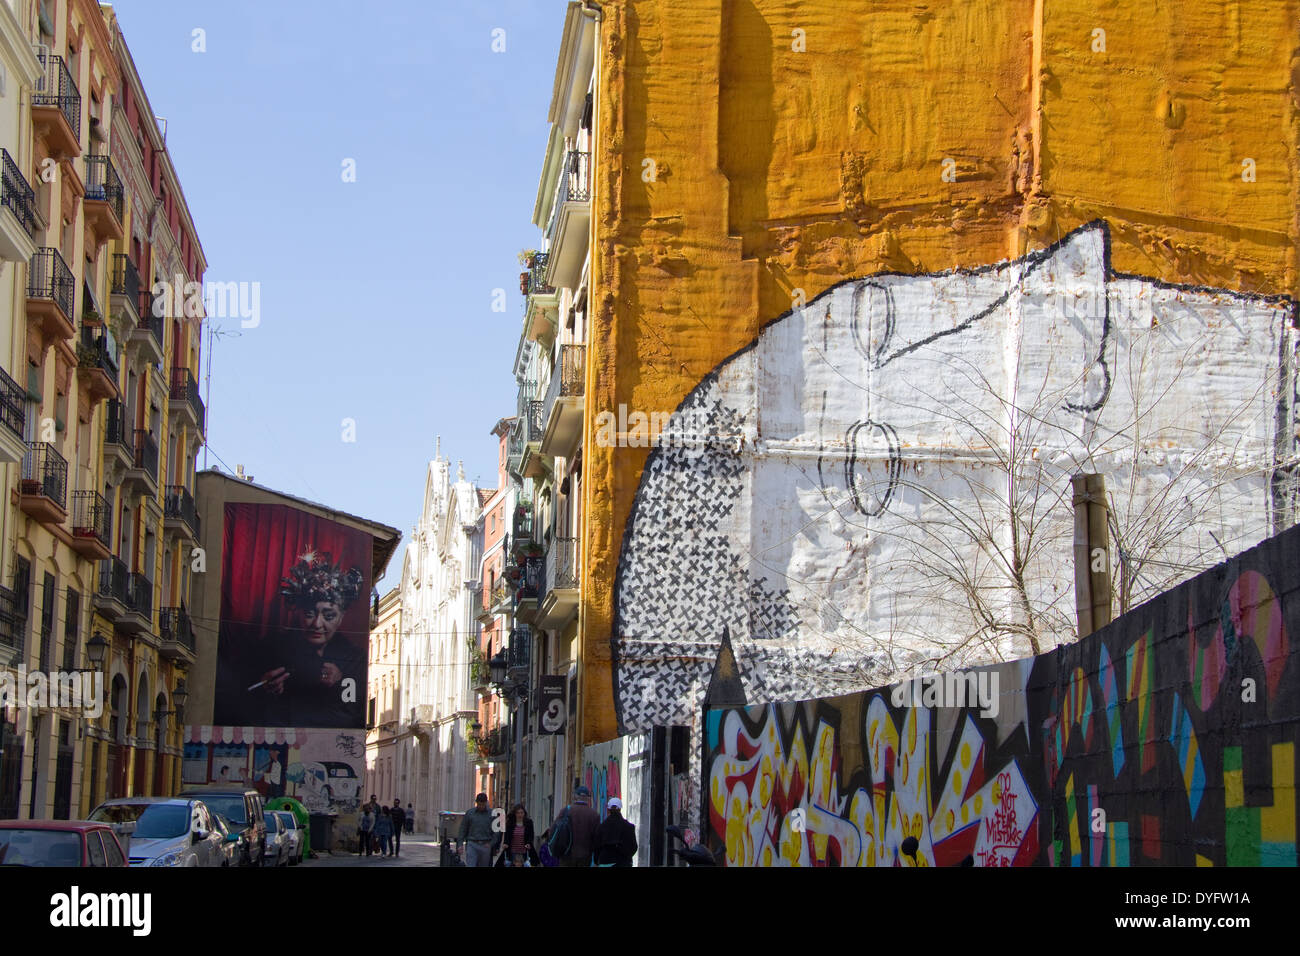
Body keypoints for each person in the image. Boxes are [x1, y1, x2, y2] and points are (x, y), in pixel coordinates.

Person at [250, 550, 366, 726]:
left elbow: (355, 714)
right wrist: (264, 688)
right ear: (299, 613)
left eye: (328, 616)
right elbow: (238, 697)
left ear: (341, 618)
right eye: (309, 614)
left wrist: (340, 682)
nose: (317, 624)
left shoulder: (354, 658)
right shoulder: (272, 647)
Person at [547, 785, 600, 867]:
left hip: (566, 854)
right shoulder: (594, 815)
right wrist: (596, 858)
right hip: (585, 856)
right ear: (588, 798)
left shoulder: (566, 811)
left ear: (575, 796)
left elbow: (553, 829)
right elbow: (596, 839)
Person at [594, 797, 638, 867]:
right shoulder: (629, 827)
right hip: (623, 862)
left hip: (605, 861)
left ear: (608, 809)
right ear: (620, 809)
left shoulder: (602, 827)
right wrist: (627, 857)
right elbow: (634, 847)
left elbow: (597, 846)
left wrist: (596, 861)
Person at [457, 793, 496, 867]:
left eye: (483, 804)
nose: (481, 806)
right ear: (476, 802)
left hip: (485, 844)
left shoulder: (492, 814)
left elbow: (496, 832)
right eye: (479, 804)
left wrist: (491, 843)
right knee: (471, 864)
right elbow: (463, 829)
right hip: (472, 843)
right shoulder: (470, 813)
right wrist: (460, 844)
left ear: (486, 803)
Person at [499, 803, 538, 867]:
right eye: (518, 813)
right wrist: (505, 843)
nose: (520, 815)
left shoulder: (529, 823)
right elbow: (507, 835)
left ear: (524, 813)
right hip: (512, 850)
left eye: (521, 813)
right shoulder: (510, 823)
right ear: (515, 814)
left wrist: (529, 843)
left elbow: (531, 835)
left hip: (524, 850)